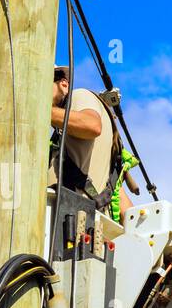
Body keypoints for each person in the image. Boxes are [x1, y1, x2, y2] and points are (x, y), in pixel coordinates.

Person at [49, 66, 134, 221]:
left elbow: (91, 125)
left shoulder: (78, 95)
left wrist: (40, 111)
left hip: (72, 217)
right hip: (81, 222)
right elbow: (120, 199)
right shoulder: (65, 138)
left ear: (63, 84)